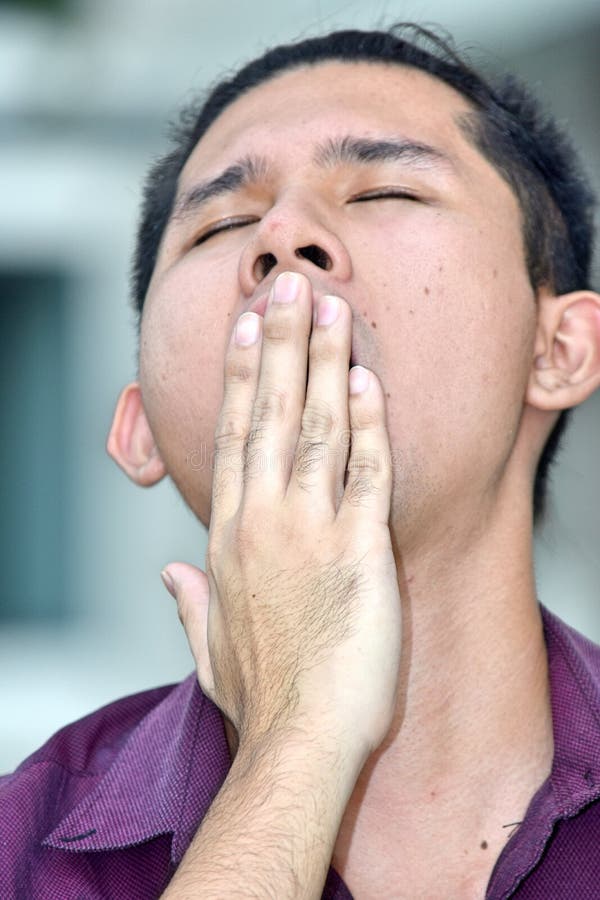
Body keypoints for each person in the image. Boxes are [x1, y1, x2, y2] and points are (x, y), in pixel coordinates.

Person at [1, 22, 599, 899]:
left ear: (560, 350)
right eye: (223, 224)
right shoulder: (22, 852)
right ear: (139, 428)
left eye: (385, 189)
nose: (283, 236)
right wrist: (297, 742)